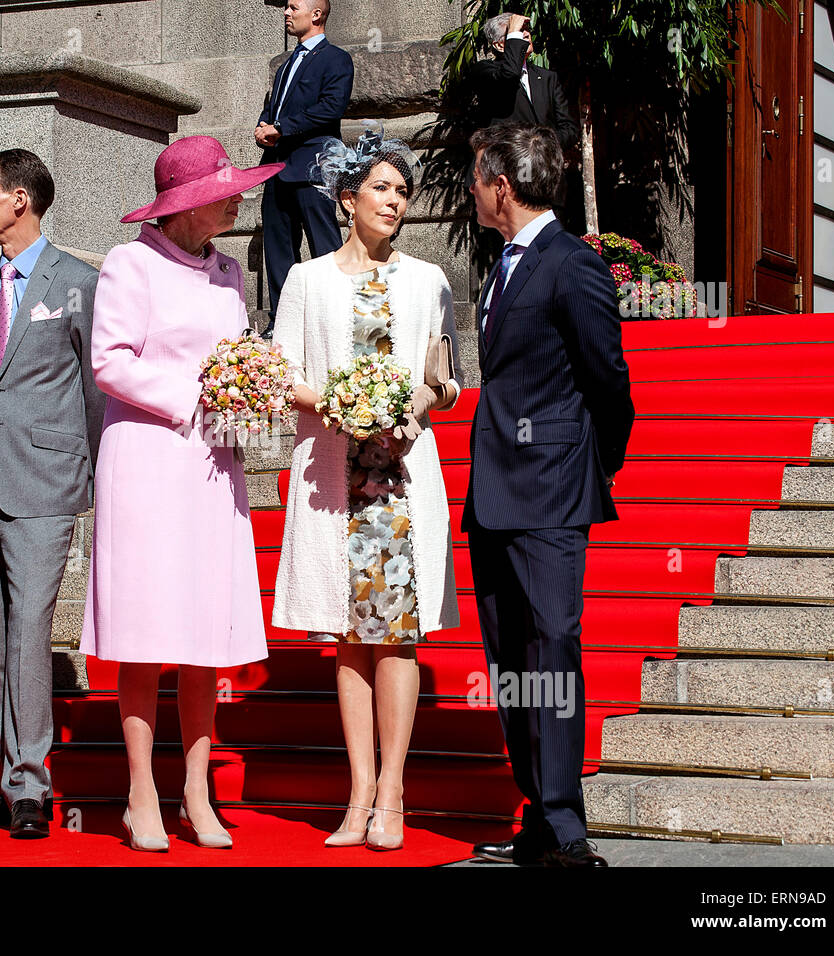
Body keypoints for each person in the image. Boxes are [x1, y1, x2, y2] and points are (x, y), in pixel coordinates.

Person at [81, 136, 279, 852]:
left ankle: (197, 794)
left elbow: (237, 355)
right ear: (185, 203)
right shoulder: (129, 262)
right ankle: (141, 795)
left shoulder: (229, 270)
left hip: (212, 465)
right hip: (145, 460)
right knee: (144, 633)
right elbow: (110, 361)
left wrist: (249, 393)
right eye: (225, 190)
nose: (237, 198)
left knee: (203, 632)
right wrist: (194, 400)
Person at [271, 124, 464, 851]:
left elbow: (448, 377)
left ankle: (394, 795)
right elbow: (282, 371)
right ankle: (356, 797)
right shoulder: (306, 279)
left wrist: (413, 404)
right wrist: (333, 403)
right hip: (334, 480)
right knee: (350, 639)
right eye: (382, 188)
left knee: (398, 639)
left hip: (401, 482)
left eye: (404, 191)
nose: (395, 201)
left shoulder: (429, 280)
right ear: (346, 198)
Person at [463, 125, 633, 867]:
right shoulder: (501, 263)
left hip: (552, 489)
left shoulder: (573, 265)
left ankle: (566, 827)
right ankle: (536, 807)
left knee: (553, 648)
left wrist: (591, 466)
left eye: (476, 177)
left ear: (503, 186)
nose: (470, 188)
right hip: (493, 491)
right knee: (509, 660)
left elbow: (610, 381)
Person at [0, 149, 105, 840]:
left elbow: (96, 389)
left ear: (21, 200)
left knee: (29, 629)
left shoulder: (80, 282)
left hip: (45, 479)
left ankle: (33, 784)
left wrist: (97, 474)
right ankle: (12, 779)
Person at [255, 0, 354, 338]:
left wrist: (281, 128)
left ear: (315, 14)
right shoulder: (286, 64)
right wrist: (263, 126)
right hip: (276, 168)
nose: (286, 11)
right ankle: (280, 322)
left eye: (292, 5)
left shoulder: (336, 59)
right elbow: (273, 106)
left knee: (324, 246)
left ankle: (335, 319)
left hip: (312, 168)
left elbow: (330, 108)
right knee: (278, 249)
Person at [469, 13, 577, 152]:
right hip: (506, 162)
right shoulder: (486, 71)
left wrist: (541, 146)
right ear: (499, 45)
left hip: (542, 164)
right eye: (518, 32)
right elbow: (510, 74)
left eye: (526, 30)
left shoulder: (547, 77)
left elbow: (569, 129)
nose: (526, 35)